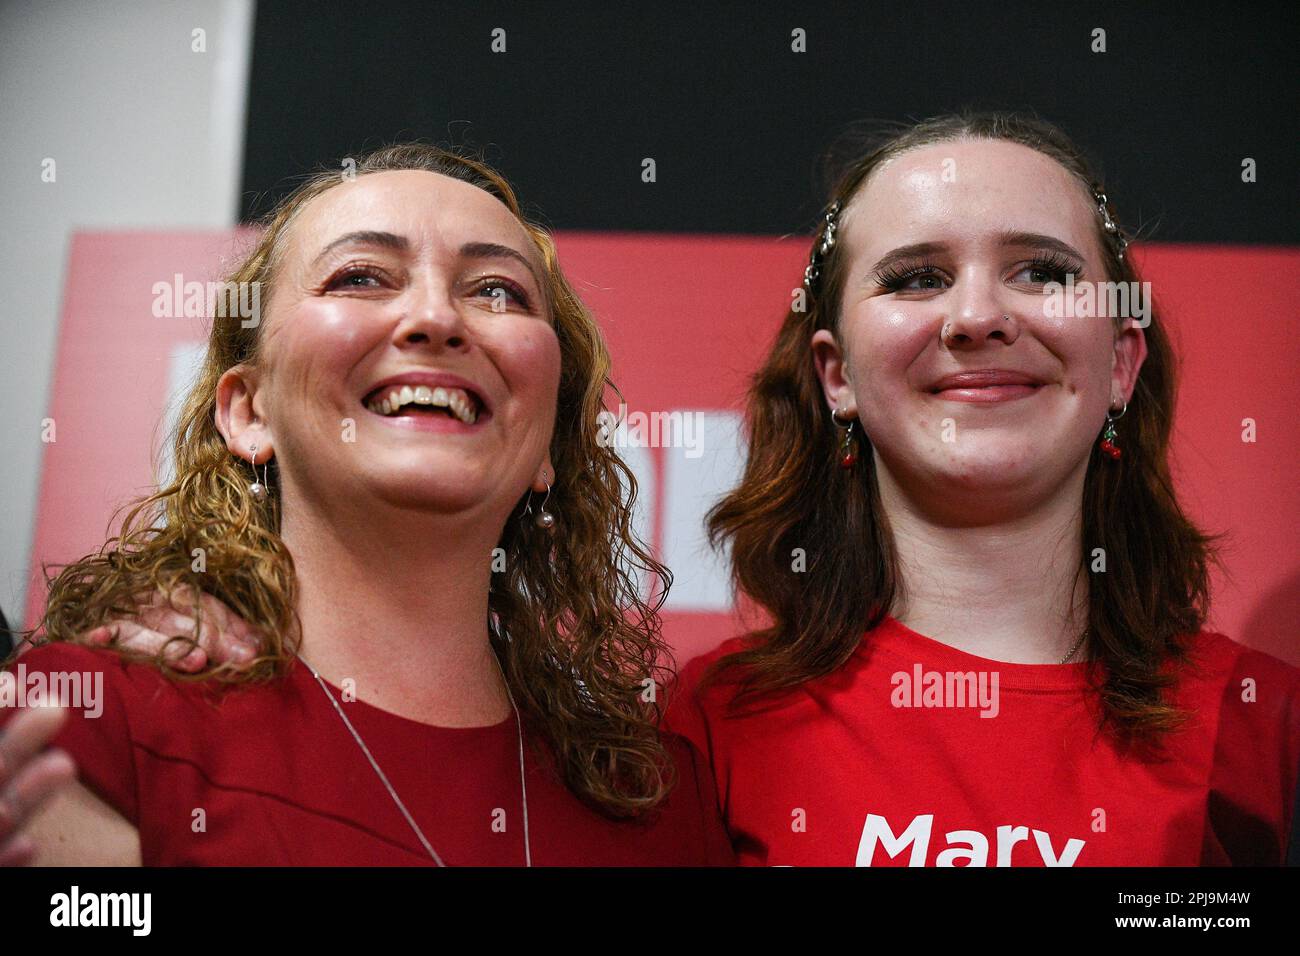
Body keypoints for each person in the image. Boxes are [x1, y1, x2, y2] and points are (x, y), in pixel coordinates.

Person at [0, 144, 734, 866]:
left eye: (497, 292)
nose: (437, 318)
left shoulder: (658, 801)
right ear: (249, 412)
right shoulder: (85, 719)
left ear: (548, 443)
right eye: (359, 278)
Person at [667, 112, 1299, 866]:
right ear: (837, 377)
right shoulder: (712, 725)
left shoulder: (1266, 727)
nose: (977, 318)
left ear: (1120, 364)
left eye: (1042, 273)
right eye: (917, 279)